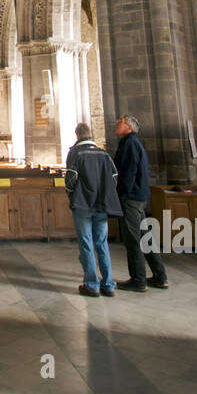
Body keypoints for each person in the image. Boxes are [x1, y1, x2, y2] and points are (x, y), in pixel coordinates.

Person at [64, 123, 123, 298]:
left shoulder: (76, 153)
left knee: (86, 243)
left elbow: (70, 179)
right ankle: (108, 284)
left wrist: (73, 196)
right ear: (90, 135)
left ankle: (91, 284)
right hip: (101, 205)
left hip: (83, 205)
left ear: (77, 135)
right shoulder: (103, 154)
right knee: (102, 243)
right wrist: (105, 195)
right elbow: (114, 177)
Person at [113, 114, 168, 292]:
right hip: (139, 197)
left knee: (133, 239)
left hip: (131, 198)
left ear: (129, 127)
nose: (117, 124)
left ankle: (138, 279)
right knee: (145, 238)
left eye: (120, 122)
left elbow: (127, 173)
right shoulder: (133, 143)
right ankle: (160, 276)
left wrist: (120, 194)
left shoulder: (129, 144)